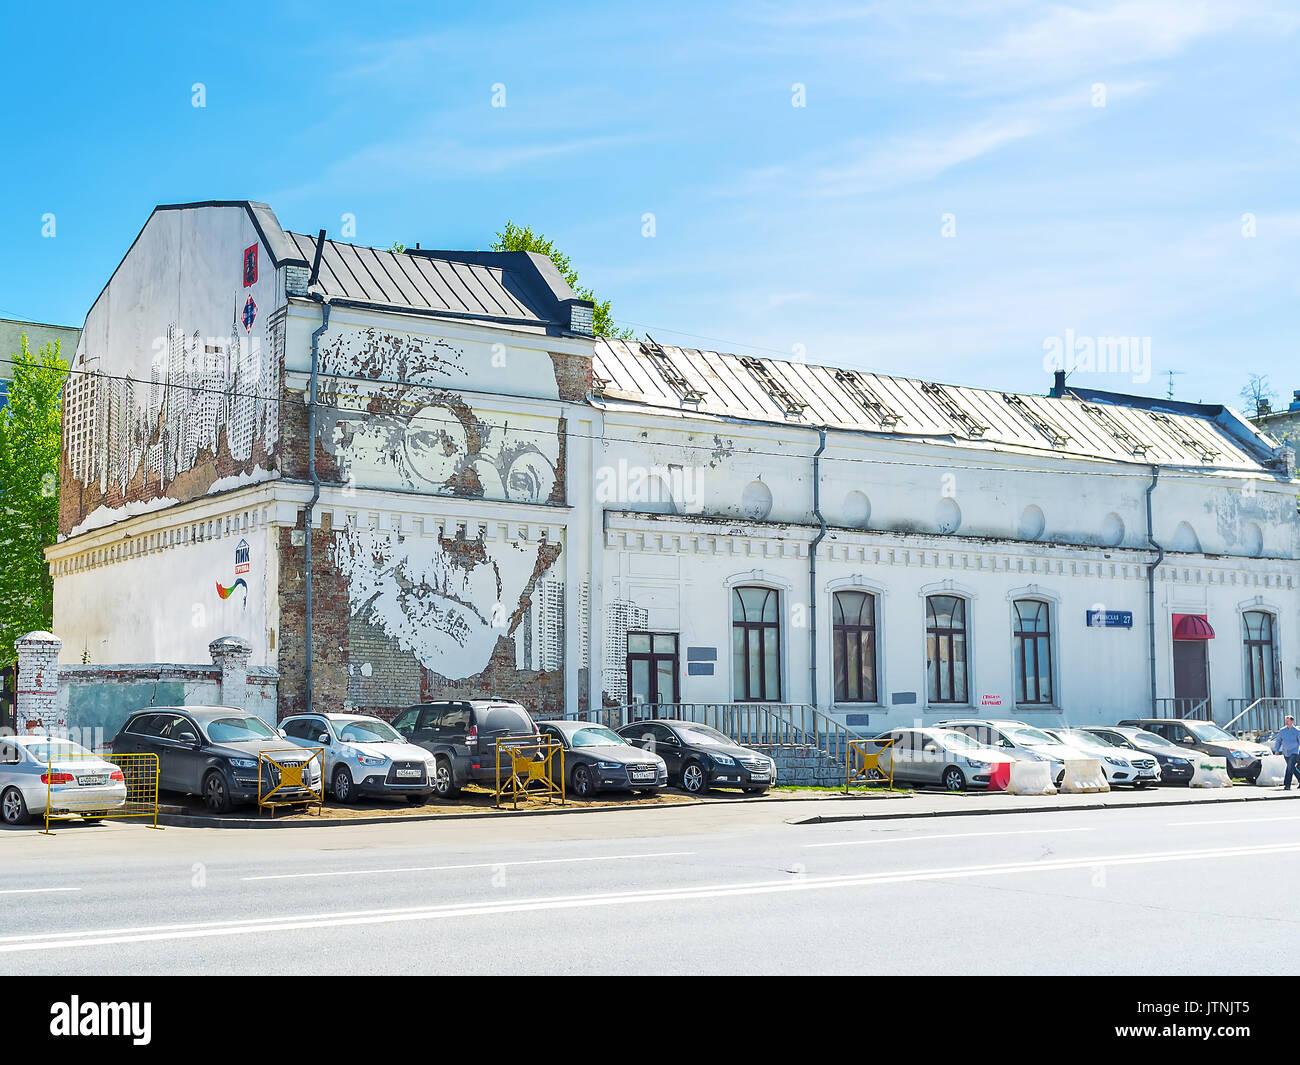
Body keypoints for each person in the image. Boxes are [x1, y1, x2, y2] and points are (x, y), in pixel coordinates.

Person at [1273, 715, 1300, 790]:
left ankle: (1287, 785)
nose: (1286, 722)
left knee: (1289, 768)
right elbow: (1278, 741)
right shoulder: (1282, 731)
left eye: (1288, 721)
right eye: (1286, 721)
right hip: (1286, 753)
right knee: (1292, 768)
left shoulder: (1297, 731)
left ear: (1292, 721)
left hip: (1294, 752)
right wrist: (1277, 750)